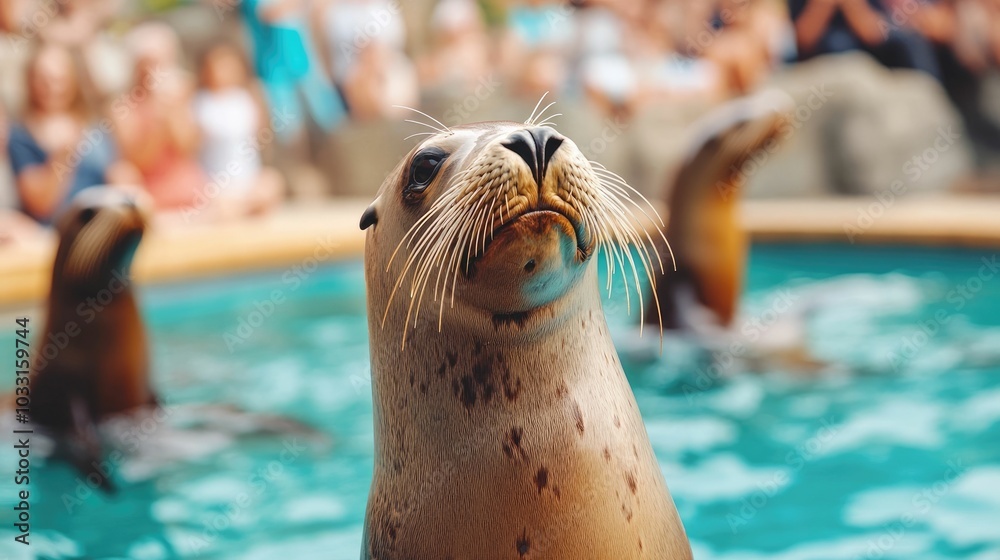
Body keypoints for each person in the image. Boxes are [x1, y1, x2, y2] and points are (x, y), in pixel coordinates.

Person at [7, 44, 136, 225]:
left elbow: (118, 172)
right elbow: (40, 205)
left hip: (101, 225)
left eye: (58, 79)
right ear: (30, 81)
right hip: (56, 232)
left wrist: (126, 183)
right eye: (43, 80)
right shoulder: (20, 135)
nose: (51, 87)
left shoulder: (94, 125)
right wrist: (63, 156)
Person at [115, 22, 207, 212]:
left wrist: (172, 109)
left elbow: (188, 147)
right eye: (147, 62)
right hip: (147, 189)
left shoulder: (183, 95)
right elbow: (138, 161)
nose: (153, 69)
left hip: (186, 185)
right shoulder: (122, 107)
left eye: (160, 61)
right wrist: (158, 117)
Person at [193, 41, 286, 219]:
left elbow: (262, 140)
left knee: (272, 182)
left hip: (249, 182)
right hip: (214, 185)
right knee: (223, 206)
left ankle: (244, 207)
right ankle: (239, 209)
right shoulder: (200, 102)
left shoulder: (248, 97)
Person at [789, 0, 941, 77]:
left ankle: (933, 100)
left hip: (872, 58)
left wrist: (851, 5)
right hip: (823, 65)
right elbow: (802, 41)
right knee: (837, 44)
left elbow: (873, 33)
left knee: (910, 42)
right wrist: (823, 5)